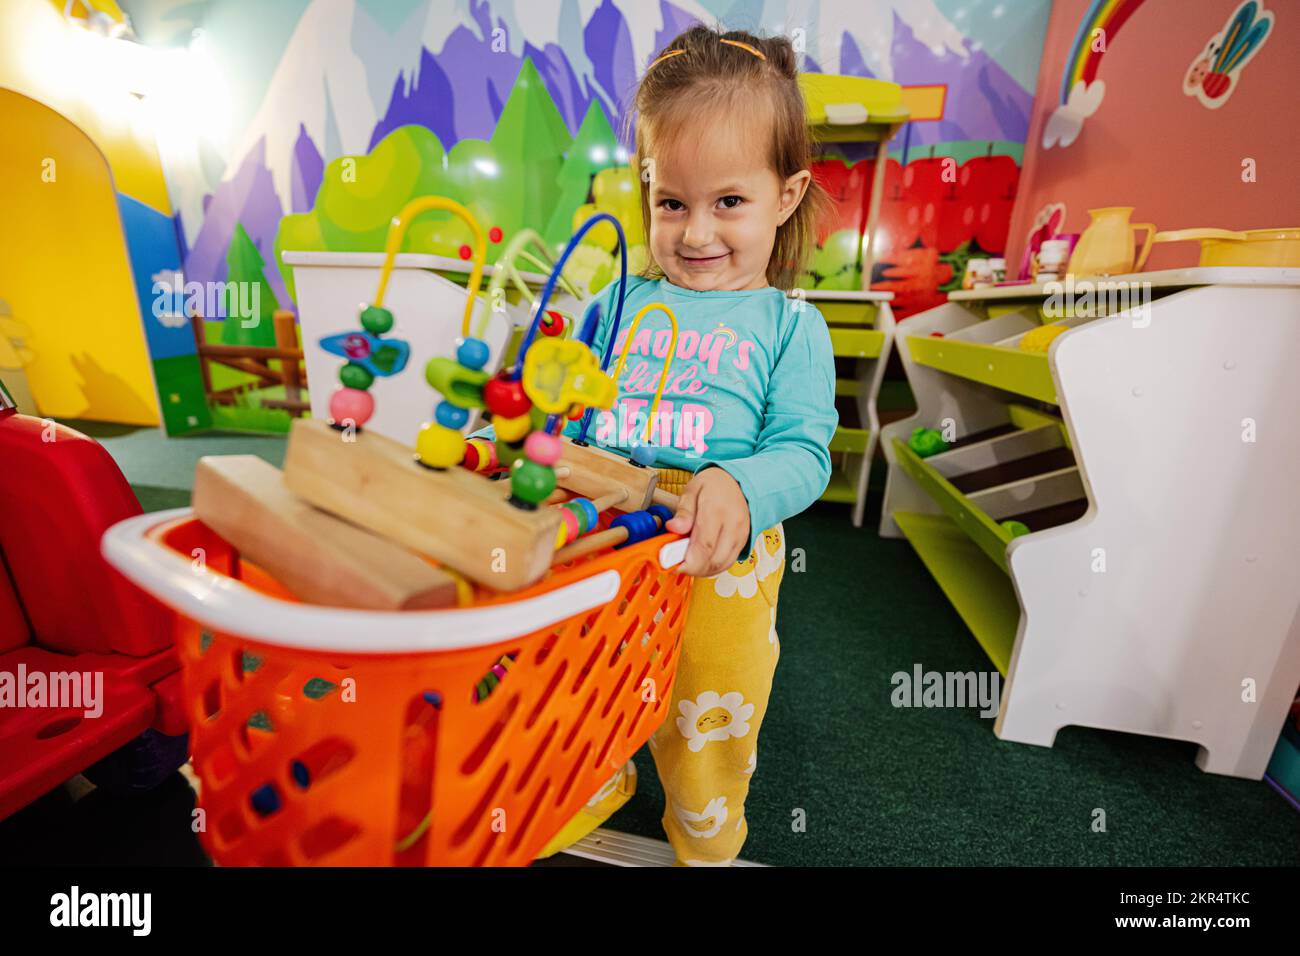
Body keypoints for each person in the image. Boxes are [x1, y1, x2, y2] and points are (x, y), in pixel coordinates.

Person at [532, 25, 837, 866]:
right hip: (601, 533)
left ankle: (707, 839)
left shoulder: (790, 325)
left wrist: (740, 487)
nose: (696, 231)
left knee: (706, 720)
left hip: (720, 560)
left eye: (728, 202)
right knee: (580, 682)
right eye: (672, 202)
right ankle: (587, 785)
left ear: (787, 193)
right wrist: (534, 435)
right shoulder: (614, 300)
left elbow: (806, 451)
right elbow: (566, 410)